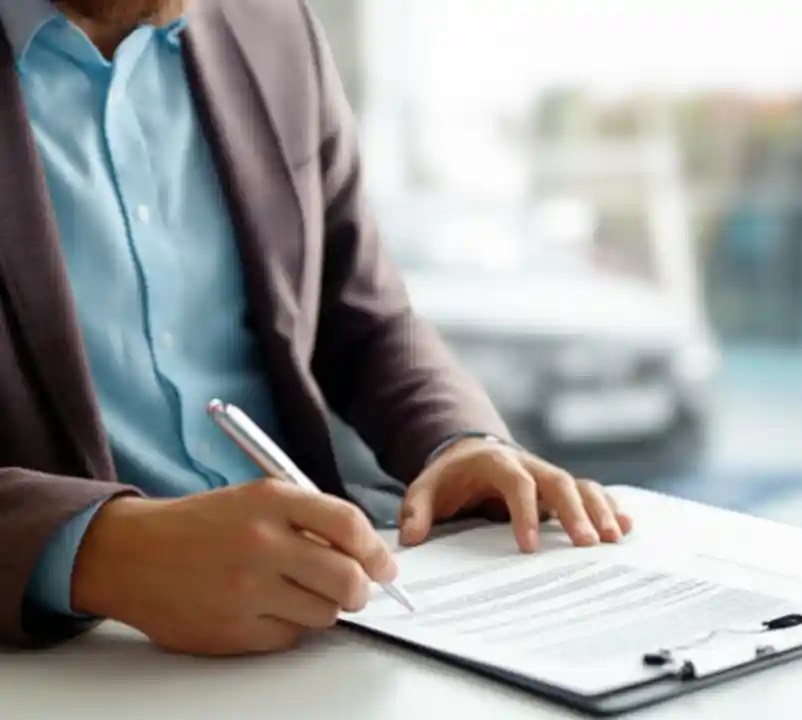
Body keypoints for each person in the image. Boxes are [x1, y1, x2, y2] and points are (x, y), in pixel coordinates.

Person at [0, 0, 632, 655]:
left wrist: (458, 441)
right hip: (75, 658)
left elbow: (365, 313)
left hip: (329, 613)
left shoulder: (274, 27)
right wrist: (95, 552)